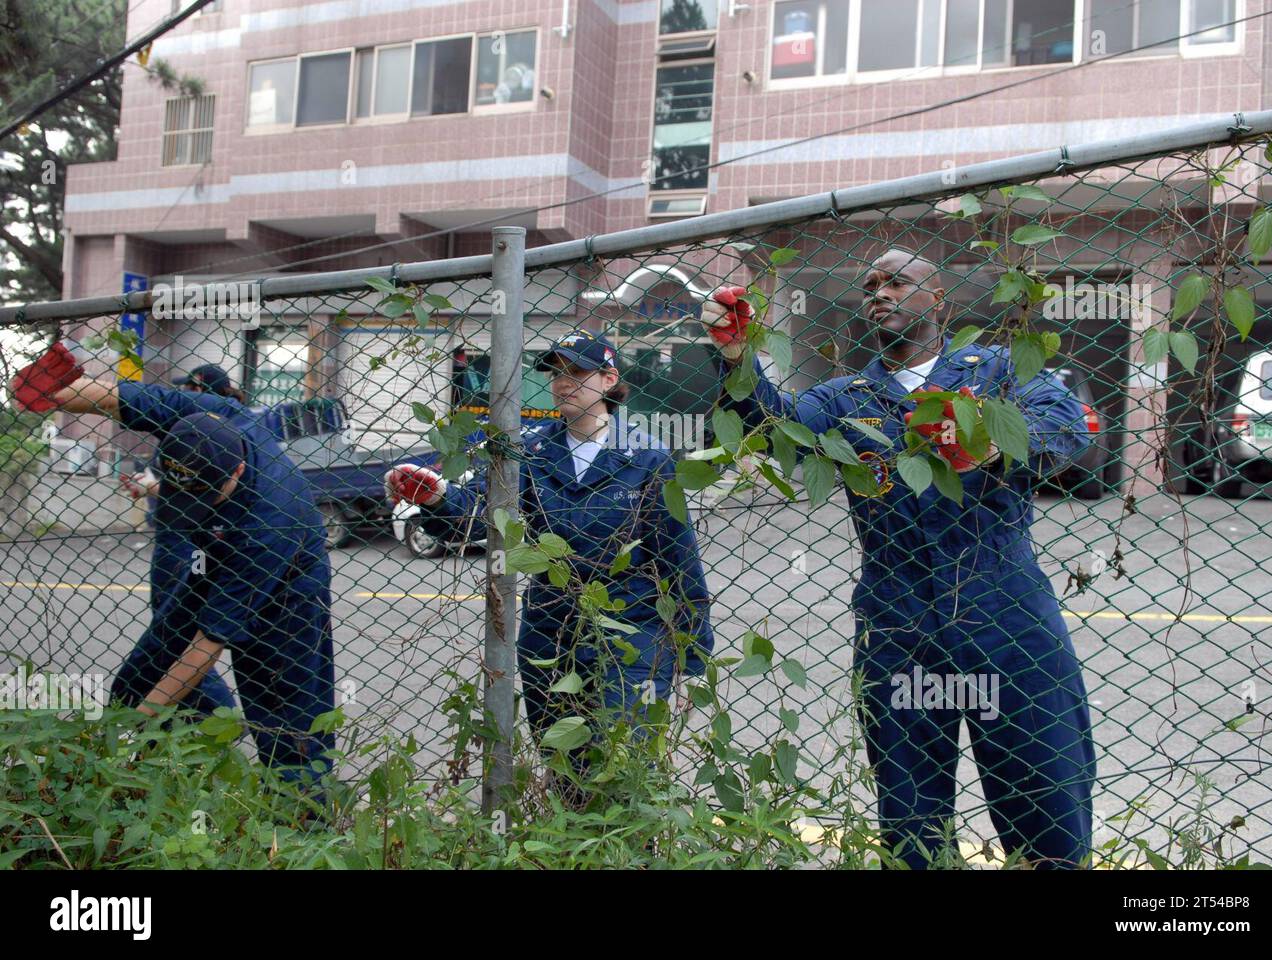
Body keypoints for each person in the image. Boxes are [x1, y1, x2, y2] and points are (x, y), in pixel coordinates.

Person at [701, 248, 1097, 868]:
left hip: (1003, 604)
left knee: (1043, 783)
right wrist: (736, 356)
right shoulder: (846, 397)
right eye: (870, 286)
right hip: (897, 613)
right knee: (910, 806)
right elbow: (776, 430)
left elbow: (1067, 425)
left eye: (896, 282)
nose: (878, 293)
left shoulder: (993, 372)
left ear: (937, 298)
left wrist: (992, 444)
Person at [11, 344, 335, 783]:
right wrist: (54, 394)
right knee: (145, 670)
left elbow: (208, 641)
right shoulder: (207, 414)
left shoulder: (268, 523)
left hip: (288, 588)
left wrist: (142, 719)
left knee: (286, 717)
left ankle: (301, 819)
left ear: (236, 474)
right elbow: (115, 396)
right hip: (214, 555)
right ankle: (171, 768)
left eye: (199, 498)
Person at [386, 331, 714, 749]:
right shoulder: (530, 451)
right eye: (556, 373)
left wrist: (692, 654)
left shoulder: (648, 457)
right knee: (559, 754)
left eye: (577, 372)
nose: (562, 383)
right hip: (551, 630)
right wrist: (435, 500)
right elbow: (474, 520)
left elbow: (677, 554)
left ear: (609, 379)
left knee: (625, 752)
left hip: (631, 629)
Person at [119, 363, 248, 714]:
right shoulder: (184, 426)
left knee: (176, 625)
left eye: (192, 387)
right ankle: (191, 708)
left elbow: (202, 491)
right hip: (172, 532)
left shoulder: (219, 435)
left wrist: (153, 487)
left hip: (186, 539)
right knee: (168, 623)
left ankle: (215, 711)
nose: (185, 393)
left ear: (207, 391)